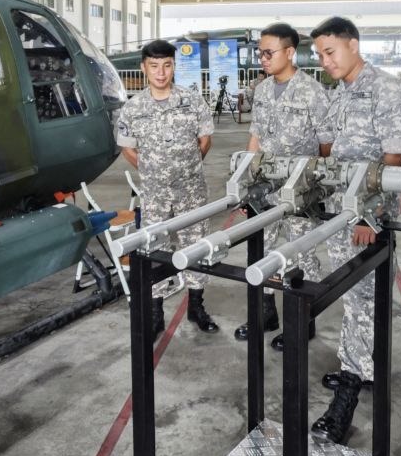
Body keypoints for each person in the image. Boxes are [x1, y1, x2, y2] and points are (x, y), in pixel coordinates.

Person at [309, 16, 401, 444]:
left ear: (353, 44)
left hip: (365, 218)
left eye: (330, 52)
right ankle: (361, 367)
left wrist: (372, 215)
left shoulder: (387, 89)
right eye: (319, 55)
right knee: (355, 301)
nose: (325, 61)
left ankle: (346, 399)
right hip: (340, 212)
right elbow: (333, 151)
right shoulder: (340, 93)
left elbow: (394, 156)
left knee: (363, 302)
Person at [234, 23, 334, 348]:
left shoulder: (312, 92)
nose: (262, 58)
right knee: (261, 250)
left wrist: (317, 184)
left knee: (300, 254)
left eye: (268, 53)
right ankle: (266, 313)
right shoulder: (262, 90)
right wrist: (246, 180)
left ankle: (303, 321)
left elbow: (326, 145)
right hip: (266, 189)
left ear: (289, 52)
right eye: (259, 53)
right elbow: (256, 136)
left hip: (300, 190)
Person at [116, 39, 220, 337]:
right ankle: (155, 312)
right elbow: (128, 148)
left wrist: (187, 168)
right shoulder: (133, 108)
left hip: (191, 190)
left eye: (167, 65)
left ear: (174, 66)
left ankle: (196, 306)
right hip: (155, 195)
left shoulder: (192, 101)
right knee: (155, 248)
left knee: (196, 246)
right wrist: (152, 171)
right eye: (154, 66)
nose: (161, 72)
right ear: (143, 68)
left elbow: (204, 140)